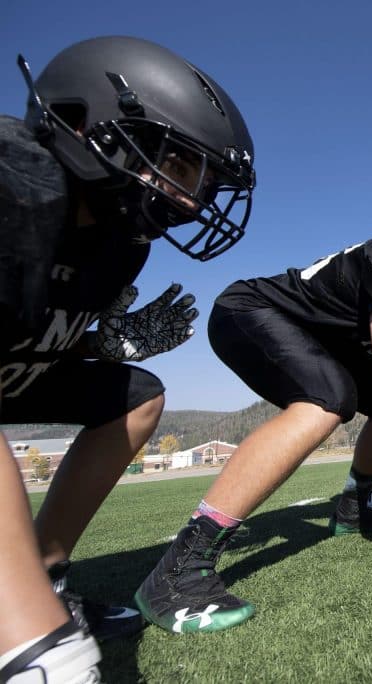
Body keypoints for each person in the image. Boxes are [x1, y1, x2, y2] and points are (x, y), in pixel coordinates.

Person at [0, 35, 256, 680]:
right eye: (183, 168)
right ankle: (24, 631)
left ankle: (45, 572)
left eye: (205, 183)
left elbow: (30, 335)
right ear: (88, 123)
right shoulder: (13, 183)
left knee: (137, 396)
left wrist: (102, 345)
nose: (194, 200)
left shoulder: (121, 246)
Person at [133, 186, 372, 634]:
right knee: (331, 398)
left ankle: (352, 507)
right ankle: (179, 569)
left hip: (305, 332)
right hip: (248, 311)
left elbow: (368, 336)